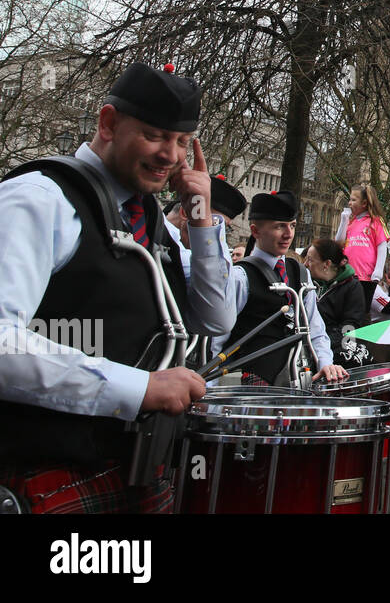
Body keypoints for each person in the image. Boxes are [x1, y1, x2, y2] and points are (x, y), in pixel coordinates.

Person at [0, 61, 233, 513]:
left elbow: (216, 317)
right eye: (154, 135)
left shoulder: (147, 218)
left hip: (135, 470)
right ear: (108, 123)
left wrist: (202, 217)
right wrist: (137, 388)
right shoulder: (39, 198)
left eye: (181, 142)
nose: (170, 155)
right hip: (47, 471)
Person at [214, 191, 347, 386]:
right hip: (251, 386)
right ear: (255, 231)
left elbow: (315, 329)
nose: (289, 234)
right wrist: (209, 388)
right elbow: (218, 337)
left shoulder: (301, 273)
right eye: (279, 227)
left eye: (292, 226)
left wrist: (326, 363)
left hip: (296, 380)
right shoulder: (240, 276)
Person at [303, 238, 370, 371]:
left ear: (326, 264)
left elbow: (350, 327)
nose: (305, 264)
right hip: (307, 346)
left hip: (336, 349)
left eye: (310, 260)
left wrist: (322, 343)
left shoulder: (352, 286)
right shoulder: (306, 283)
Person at [335, 184, 390, 317]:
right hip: (348, 275)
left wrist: (377, 271)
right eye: (350, 199)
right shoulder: (351, 222)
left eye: (354, 200)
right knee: (347, 311)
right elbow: (338, 242)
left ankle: (359, 335)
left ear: (364, 203)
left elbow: (382, 246)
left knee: (361, 311)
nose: (349, 203)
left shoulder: (375, 221)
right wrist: (343, 221)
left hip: (366, 276)